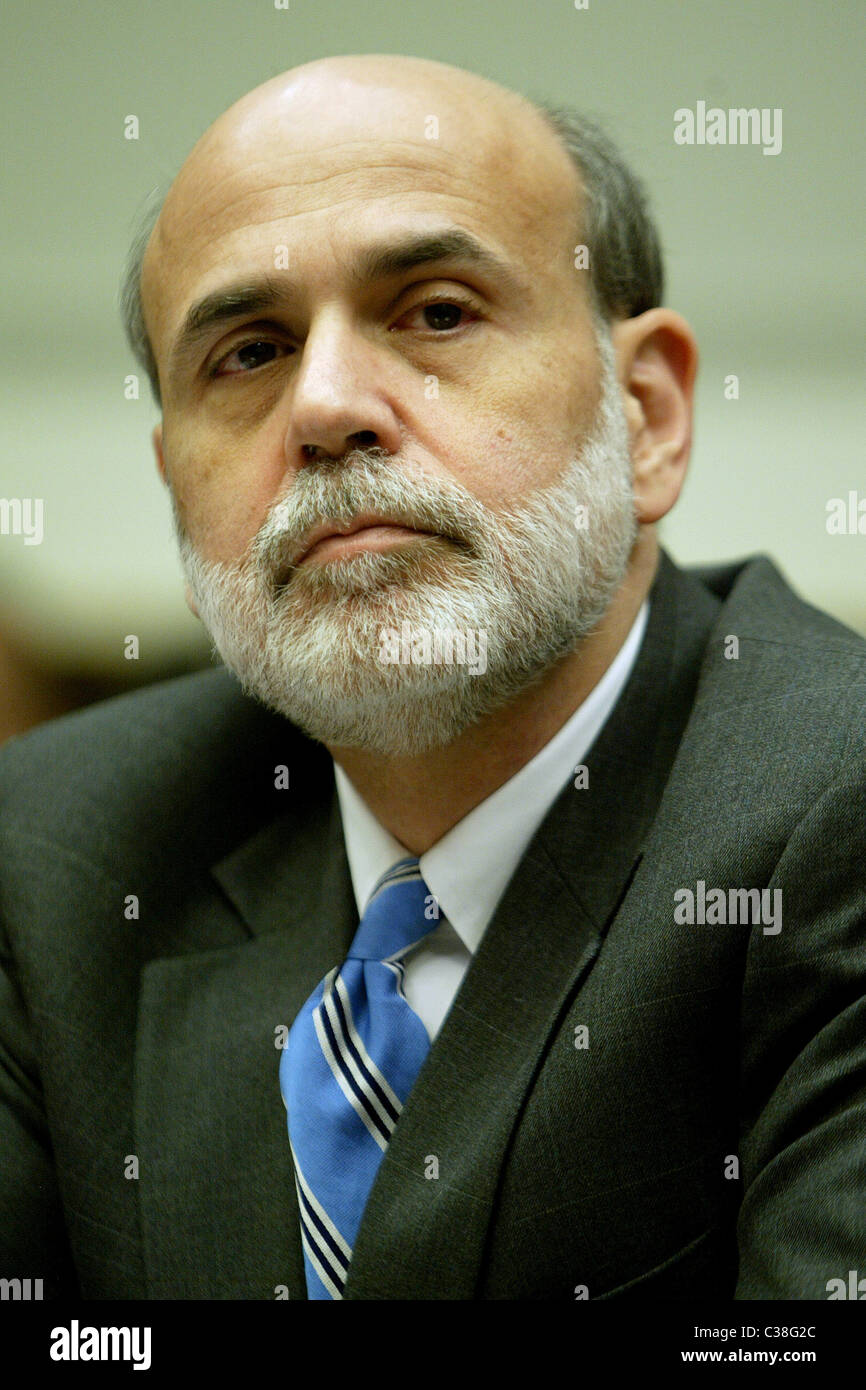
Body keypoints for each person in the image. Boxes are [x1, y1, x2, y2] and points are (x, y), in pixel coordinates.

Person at [0, 53, 863, 1302]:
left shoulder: (831, 803)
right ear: (175, 491)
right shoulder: (55, 849)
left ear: (646, 416)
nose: (327, 405)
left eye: (437, 312)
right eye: (247, 353)